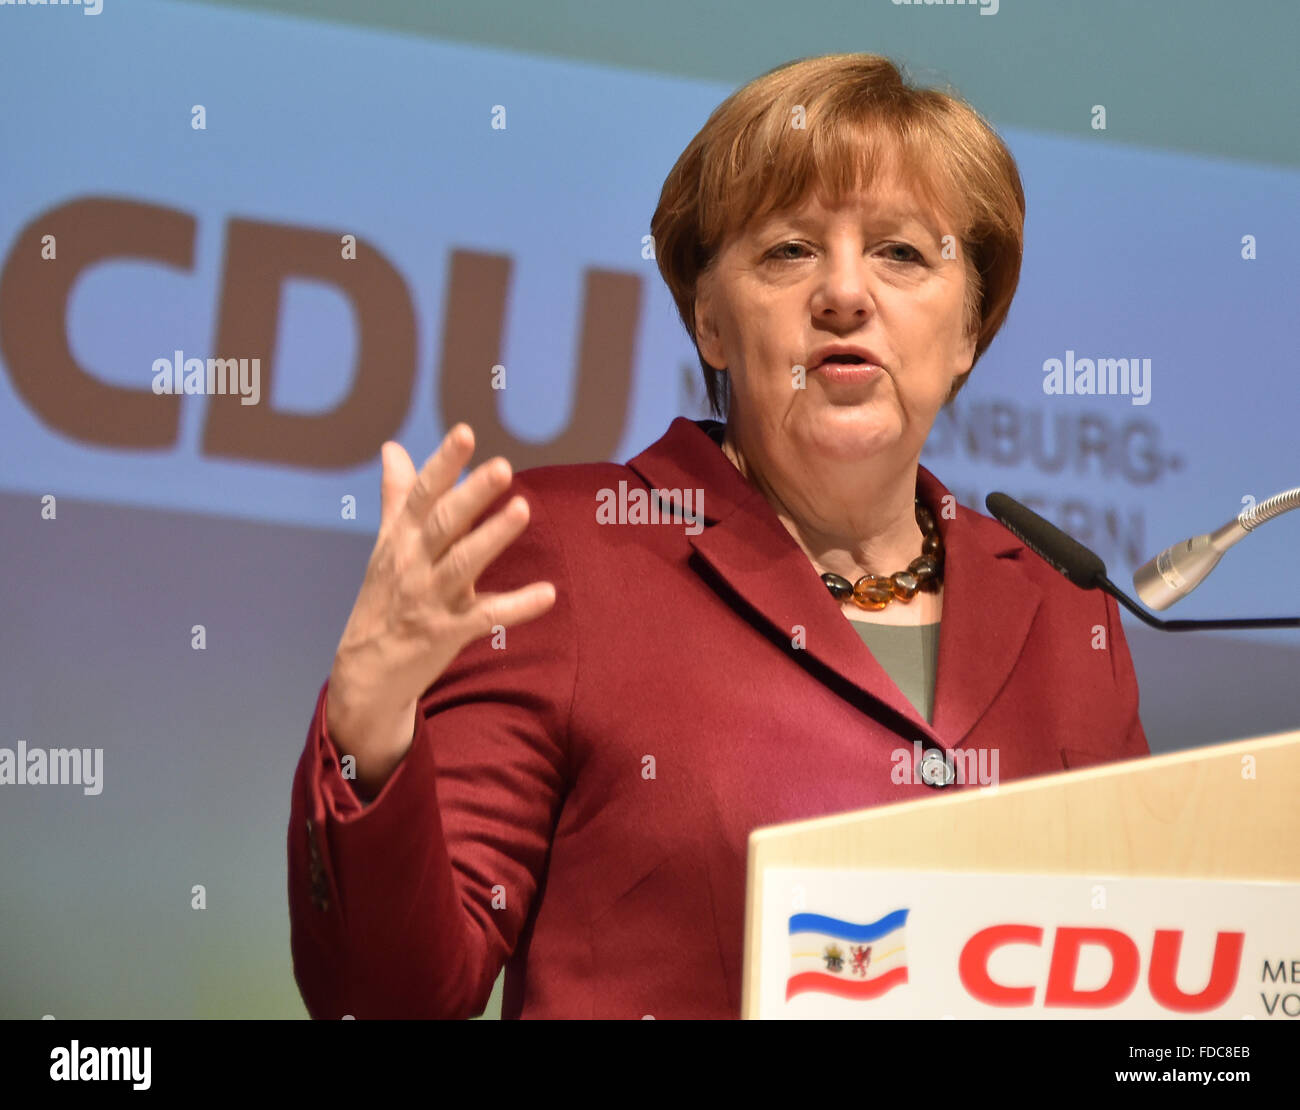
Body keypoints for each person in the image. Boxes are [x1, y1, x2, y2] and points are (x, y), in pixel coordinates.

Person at [288, 53, 1148, 1020]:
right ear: (710, 321)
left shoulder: (1071, 614)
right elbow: (391, 998)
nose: (845, 293)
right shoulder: (568, 557)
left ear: (968, 331)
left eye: (904, 253)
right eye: (789, 251)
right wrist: (367, 737)